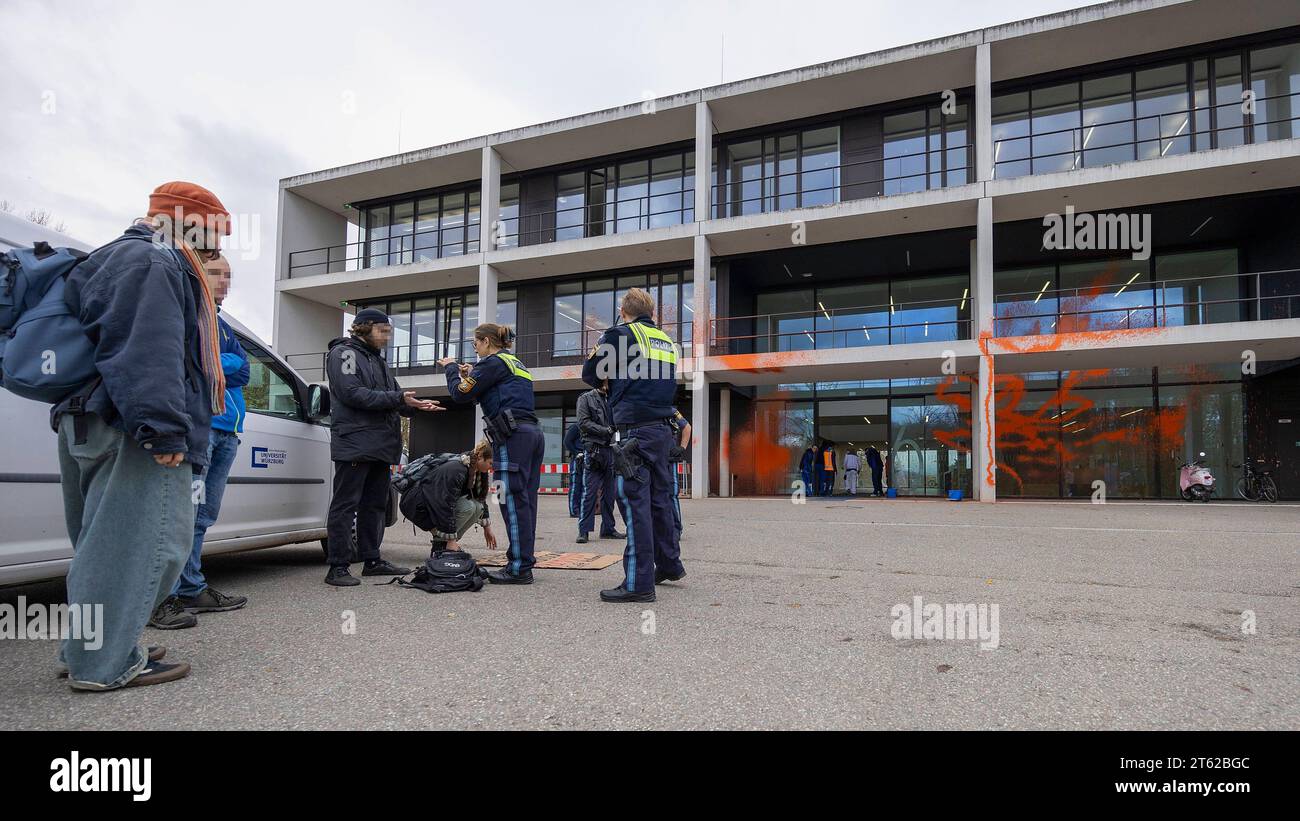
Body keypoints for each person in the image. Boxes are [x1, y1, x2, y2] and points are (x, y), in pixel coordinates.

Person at [51, 181, 231, 689]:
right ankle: (105, 664)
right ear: (188, 223)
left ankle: (90, 647)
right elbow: (146, 348)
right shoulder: (153, 261)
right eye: (214, 237)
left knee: (102, 544)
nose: (215, 251)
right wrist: (165, 430)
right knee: (148, 544)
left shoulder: (115, 257)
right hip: (128, 425)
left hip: (93, 416)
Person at [149, 254, 250, 628]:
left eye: (228, 274)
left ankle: (191, 587)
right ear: (195, 273)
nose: (223, 280)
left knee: (203, 516)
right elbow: (187, 359)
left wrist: (216, 361)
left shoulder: (221, 323)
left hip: (227, 432)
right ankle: (166, 594)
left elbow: (247, 370)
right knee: (181, 514)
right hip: (199, 429)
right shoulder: (185, 310)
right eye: (215, 273)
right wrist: (219, 362)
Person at [324, 307, 442, 586]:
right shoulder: (347, 355)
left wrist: (415, 405)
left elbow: (393, 398)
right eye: (383, 331)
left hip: (380, 444)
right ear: (364, 327)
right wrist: (398, 398)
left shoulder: (377, 361)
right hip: (355, 442)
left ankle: (372, 559)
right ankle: (338, 566)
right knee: (346, 504)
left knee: (375, 505)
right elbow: (351, 393)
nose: (388, 337)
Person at [583, 287, 684, 602]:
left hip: (635, 431)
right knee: (660, 501)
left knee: (635, 503)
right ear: (651, 312)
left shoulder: (620, 334)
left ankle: (639, 583)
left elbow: (590, 375)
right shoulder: (667, 341)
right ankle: (668, 563)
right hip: (662, 431)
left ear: (622, 310)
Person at [438, 323, 544, 585]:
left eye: (475, 344)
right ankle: (523, 560)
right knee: (526, 502)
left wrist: (451, 368)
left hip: (512, 436)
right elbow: (497, 389)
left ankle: (519, 568)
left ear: (486, 341)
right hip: (531, 433)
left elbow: (461, 394)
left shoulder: (493, 363)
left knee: (511, 501)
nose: (475, 349)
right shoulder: (514, 362)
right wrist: (473, 372)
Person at [424, 440, 499, 555]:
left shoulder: (476, 471)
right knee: (468, 507)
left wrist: (487, 528)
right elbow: (446, 504)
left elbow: (480, 500)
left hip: (440, 506)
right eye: (490, 463)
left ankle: (445, 544)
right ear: (480, 457)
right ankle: (441, 545)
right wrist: (451, 539)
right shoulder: (458, 469)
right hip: (422, 505)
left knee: (478, 507)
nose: (491, 468)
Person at [575, 381, 625, 544]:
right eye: (604, 380)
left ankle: (608, 529)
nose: (607, 383)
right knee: (590, 493)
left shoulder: (613, 399)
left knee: (610, 494)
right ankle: (584, 531)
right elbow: (583, 423)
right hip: (594, 451)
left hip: (610, 450)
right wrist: (605, 430)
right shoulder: (586, 398)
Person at [668, 407, 691, 539]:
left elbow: (687, 427)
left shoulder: (671, 410)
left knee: (672, 494)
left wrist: (682, 447)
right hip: (654, 458)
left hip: (669, 459)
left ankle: (676, 529)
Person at [564, 422, 584, 519]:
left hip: (587, 459)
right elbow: (567, 442)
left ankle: (581, 509)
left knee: (584, 486)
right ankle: (574, 510)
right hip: (577, 459)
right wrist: (576, 452)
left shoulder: (590, 427)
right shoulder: (576, 427)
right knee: (575, 485)